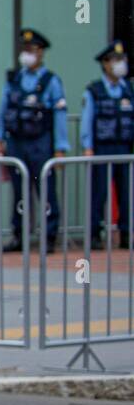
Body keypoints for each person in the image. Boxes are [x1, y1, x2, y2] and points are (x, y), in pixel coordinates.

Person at [0, 28, 68, 253]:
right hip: (16, 142)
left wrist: (60, 147)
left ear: (41, 52)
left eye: (31, 49)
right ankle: (18, 235)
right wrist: (0, 139)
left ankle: (49, 237)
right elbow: (3, 109)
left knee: (45, 190)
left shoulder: (51, 81)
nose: (27, 53)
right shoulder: (14, 78)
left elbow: (60, 114)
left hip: (41, 143)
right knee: (19, 192)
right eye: (24, 49)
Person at [81, 39, 133, 249]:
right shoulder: (94, 90)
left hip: (124, 148)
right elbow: (87, 119)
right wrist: (88, 146)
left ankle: (126, 233)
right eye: (115, 59)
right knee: (98, 193)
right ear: (105, 63)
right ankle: (94, 233)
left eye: (122, 59)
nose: (120, 63)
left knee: (126, 193)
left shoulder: (128, 89)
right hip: (102, 148)